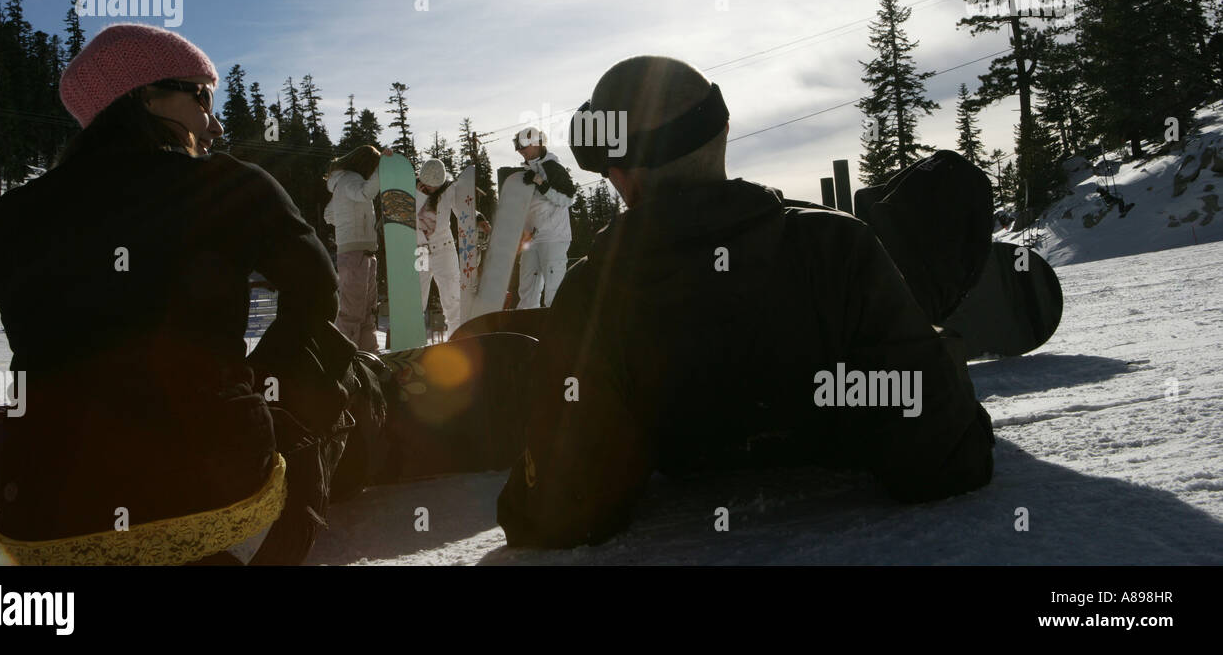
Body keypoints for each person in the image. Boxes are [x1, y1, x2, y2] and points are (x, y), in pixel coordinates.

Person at [497, 56, 995, 548]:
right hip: (855, 307)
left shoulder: (592, 295)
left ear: (620, 175)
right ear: (725, 131)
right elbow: (947, 462)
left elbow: (556, 514)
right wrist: (938, 362)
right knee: (937, 195)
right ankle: (927, 319)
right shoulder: (837, 249)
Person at [0, 22, 372, 565]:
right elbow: (318, 293)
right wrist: (258, 384)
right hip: (214, 501)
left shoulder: (7, 218)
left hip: (43, 523)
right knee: (333, 367)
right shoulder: (228, 184)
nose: (213, 124)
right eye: (202, 97)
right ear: (145, 96)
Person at [324, 145, 393, 352]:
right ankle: (344, 359)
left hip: (359, 252)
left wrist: (349, 222)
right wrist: (384, 169)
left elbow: (329, 215)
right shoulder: (349, 179)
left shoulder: (342, 183)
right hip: (356, 253)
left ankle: (367, 354)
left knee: (366, 311)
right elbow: (365, 193)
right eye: (374, 168)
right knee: (354, 311)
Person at [414, 158, 489, 336]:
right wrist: (420, 194)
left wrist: (478, 219)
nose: (431, 188)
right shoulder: (413, 190)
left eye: (434, 185)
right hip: (420, 252)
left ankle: (456, 338)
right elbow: (406, 214)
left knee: (453, 298)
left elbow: (463, 208)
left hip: (444, 249)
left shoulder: (449, 191)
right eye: (427, 184)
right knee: (417, 297)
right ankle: (414, 340)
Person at [512, 127, 575, 309]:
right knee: (527, 290)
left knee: (554, 291)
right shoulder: (525, 174)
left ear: (536, 144)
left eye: (523, 145)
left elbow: (568, 199)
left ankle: (556, 333)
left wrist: (542, 184)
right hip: (531, 239)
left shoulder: (553, 168)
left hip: (553, 237)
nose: (520, 150)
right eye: (517, 147)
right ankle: (526, 329)